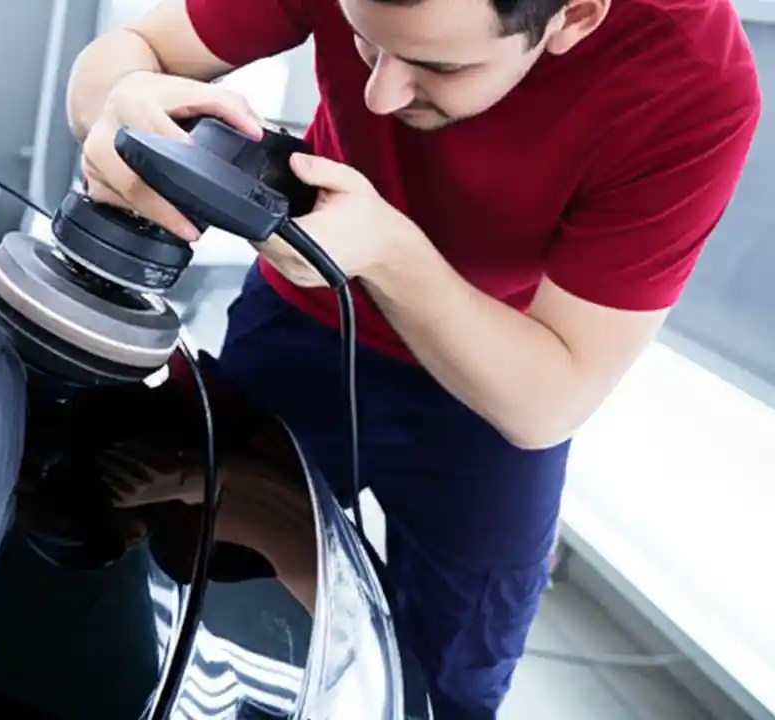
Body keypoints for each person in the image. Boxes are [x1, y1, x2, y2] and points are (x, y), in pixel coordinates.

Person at [63, 0, 760, 716]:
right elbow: (126, 52)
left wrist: (389, 253)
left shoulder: (693, 83)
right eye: (363, 42)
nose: (380, 97)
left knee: (455, 674)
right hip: (299, 326)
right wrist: (120, 105)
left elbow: (551, 398)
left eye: (439, 66)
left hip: (499, 377)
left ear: (575, 16)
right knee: (197, 580)